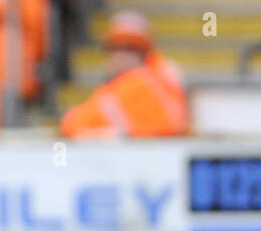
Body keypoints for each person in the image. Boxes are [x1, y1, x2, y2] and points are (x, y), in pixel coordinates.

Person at [60, 11, 188, 138]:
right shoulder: (161, 76)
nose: (117, 57)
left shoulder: (135, 83)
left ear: (140, 53)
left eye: (126, 49)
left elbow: (73, 124)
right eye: (114, 49)